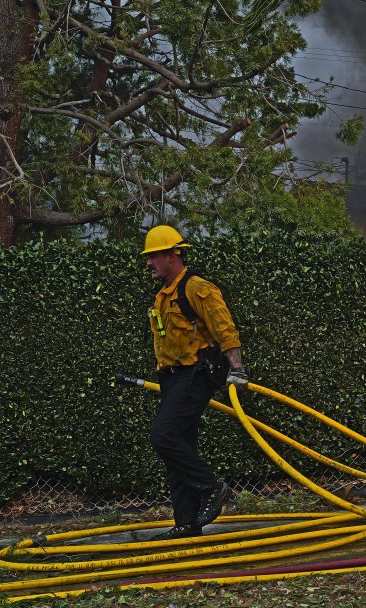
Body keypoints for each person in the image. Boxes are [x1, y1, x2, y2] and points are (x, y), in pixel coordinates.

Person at [142, 225, 248, 540]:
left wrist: (237, 370)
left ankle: (213, 487)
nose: (149, 263)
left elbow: (225, 329)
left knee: (163, 437)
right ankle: (187, 524)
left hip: (195, 375)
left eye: (153, 256)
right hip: (172, 379)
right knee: (179, 447)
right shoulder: (163, 294)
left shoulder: (197, 288)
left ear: (173, 255)